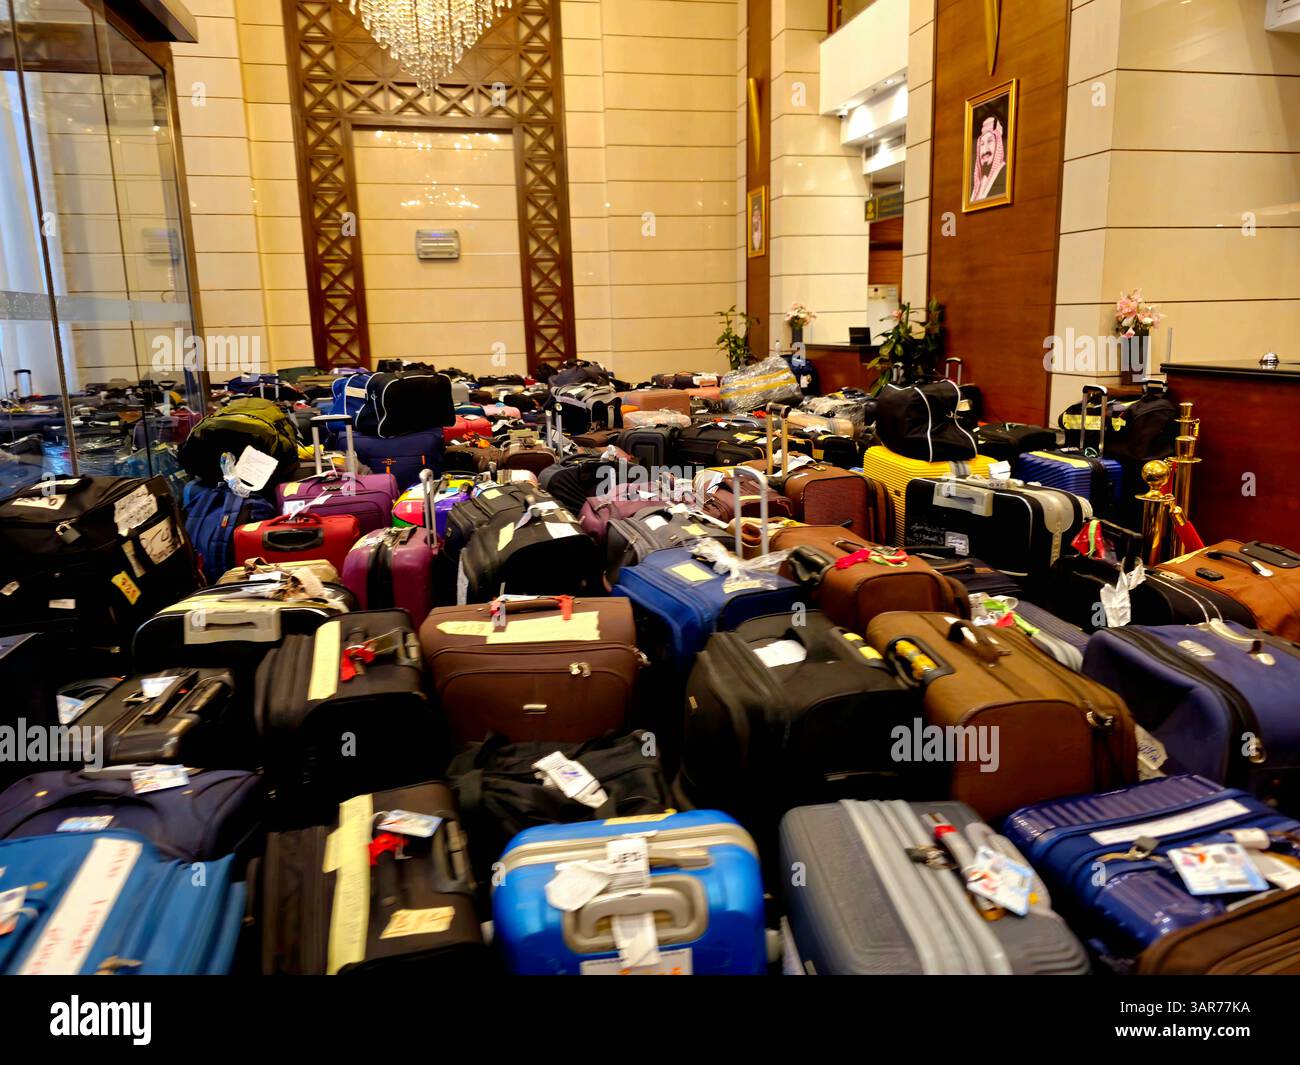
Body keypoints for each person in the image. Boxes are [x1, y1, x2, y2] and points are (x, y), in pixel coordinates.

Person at [970, 114, 1006, 203]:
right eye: (981, 144)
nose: (985, 150)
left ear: (998, 145)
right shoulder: (977, 183)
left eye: (990, 141)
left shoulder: (1004, 174)